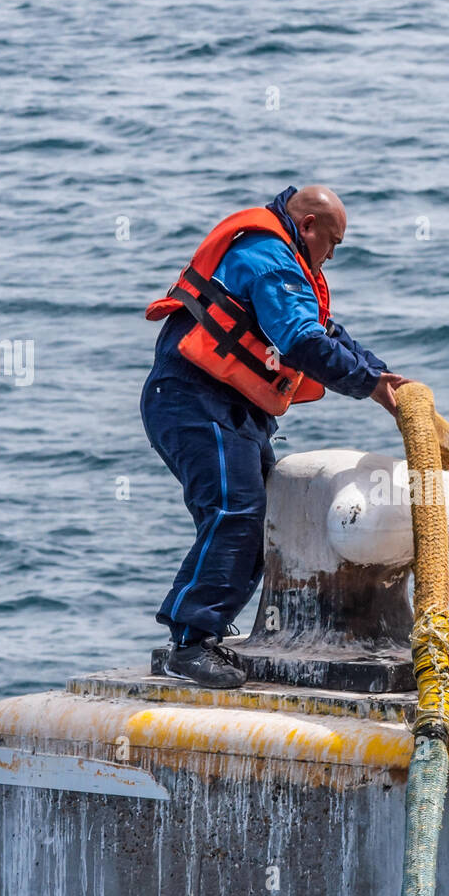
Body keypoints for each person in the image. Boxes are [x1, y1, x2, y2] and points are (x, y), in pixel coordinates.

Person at [140, 184, 410, 688]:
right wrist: (366, 385)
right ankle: (189, 641)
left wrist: (382, 376)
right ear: (307, 227)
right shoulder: (271, 260)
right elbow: (303, 341)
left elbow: (327, 332)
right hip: (192, 402)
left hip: (226, 409)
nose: (331, 256)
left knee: (258, 520)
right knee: (235, 511)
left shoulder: (284, 262)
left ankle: (203, 635)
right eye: (332, 243)